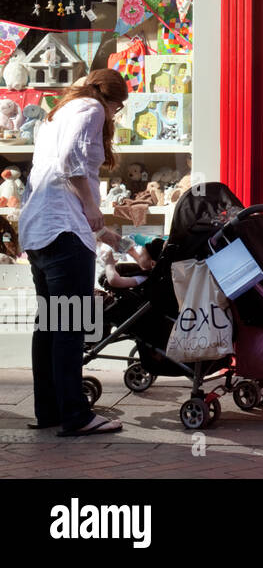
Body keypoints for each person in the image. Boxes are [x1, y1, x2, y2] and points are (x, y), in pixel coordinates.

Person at [20, 69, 129, 436]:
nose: (114, 115)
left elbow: (47, 176)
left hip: (42, 230)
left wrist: (98, 228)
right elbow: (70, 163)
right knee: (69, 326)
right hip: (64, 233)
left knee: (50, 324)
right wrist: (91, 208)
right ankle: (75, 415)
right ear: (112, 100)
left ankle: (48, 409)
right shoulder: (92, 109)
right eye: (119, 107)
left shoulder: (58, 114)